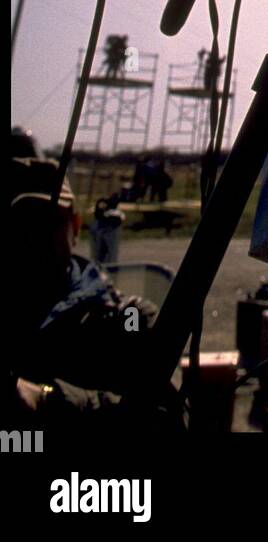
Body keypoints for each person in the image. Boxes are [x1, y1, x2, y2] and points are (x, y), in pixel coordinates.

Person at [7, 157, 182, 436]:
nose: (29, 237)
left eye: (44, 222)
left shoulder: (126, 321)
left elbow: (166, 417)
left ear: (75, 226)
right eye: (15, 225)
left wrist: (48, 399)